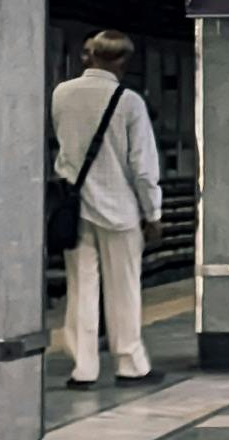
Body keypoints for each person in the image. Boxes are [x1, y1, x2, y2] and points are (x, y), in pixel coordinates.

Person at [50, 28, 162, 385]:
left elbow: (64, 146)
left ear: (89, 55)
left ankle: (83, 368)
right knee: (123, 287)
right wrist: (153, 213)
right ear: (124, 61)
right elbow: (142, 166)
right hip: (121, 210)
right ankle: (130, 362)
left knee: (80, 288)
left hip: (75, 205)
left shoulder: (61, 94)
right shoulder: (129, 101)